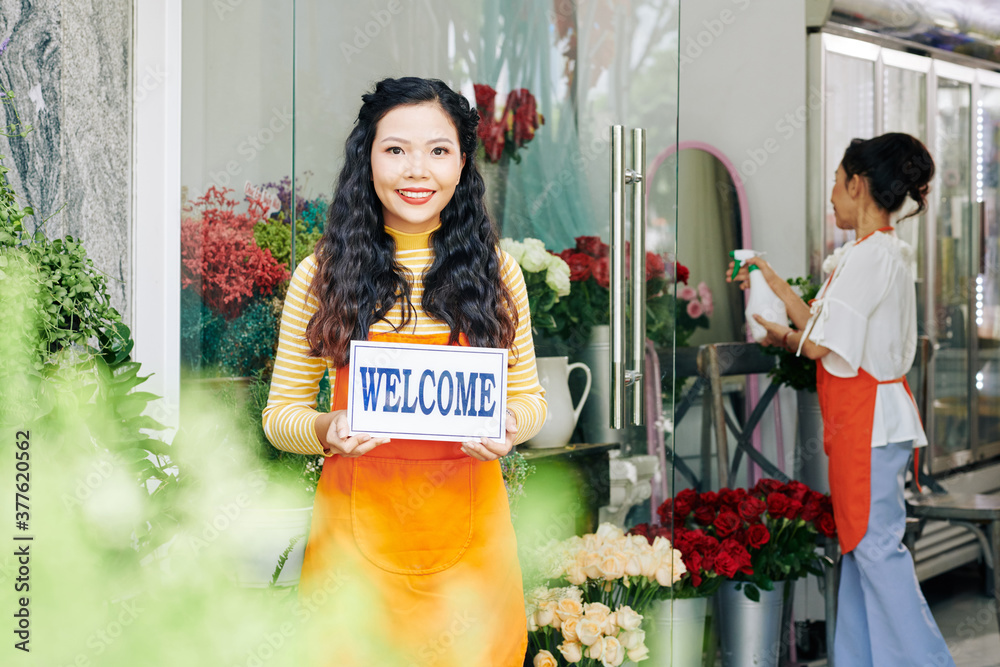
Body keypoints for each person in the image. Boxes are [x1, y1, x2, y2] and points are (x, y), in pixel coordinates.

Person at [262, 77, 547, 666]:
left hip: (473, 562)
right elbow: (279, 414)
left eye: (438, 150)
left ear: (463, 163)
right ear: (366, 157)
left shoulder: (498, 272)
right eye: (395, 149)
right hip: (352, 567)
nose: (417, 171)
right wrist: (325, 429)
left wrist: (508, 429)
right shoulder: (321, 276)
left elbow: (530, 402)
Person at [728, 133, 954, 666]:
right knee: (859, 549)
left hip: (871, 422)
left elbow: (825, 341)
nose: (831, 195)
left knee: (874, 550)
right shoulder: (864, 254)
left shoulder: (873, 257)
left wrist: (777, 289)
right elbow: (823, 337)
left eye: (836, 182)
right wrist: (778, 314)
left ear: (858, 184)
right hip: (864, 422)